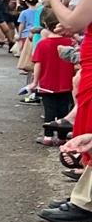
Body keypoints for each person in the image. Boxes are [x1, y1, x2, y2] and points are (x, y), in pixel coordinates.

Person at [32, 7, 75, 143]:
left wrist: (34, 82)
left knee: (49, 110)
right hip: (66, 82)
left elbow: (37, 64)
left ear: (45, 24)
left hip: (47, 83)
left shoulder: (42, 44)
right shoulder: (70, 43)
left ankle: (48, 136)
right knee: (64, 110)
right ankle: (62, 137)